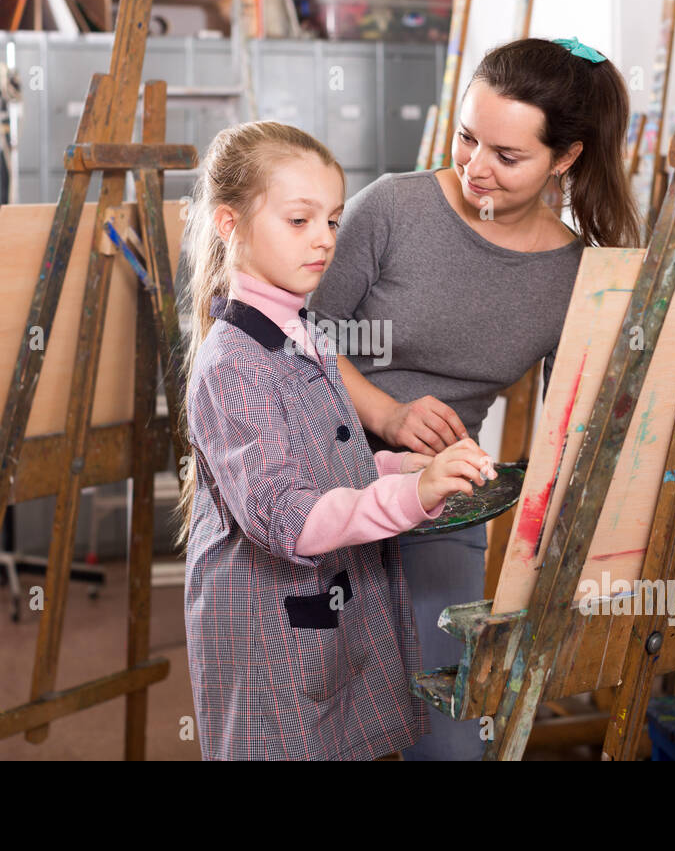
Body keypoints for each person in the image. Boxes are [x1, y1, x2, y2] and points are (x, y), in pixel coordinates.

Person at [309, 37, 640, 760]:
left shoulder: (574, 273)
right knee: (320, 720)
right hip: (316, 477)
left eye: (506, 156)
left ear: (566, 158)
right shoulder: (393, 207)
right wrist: (386, 412)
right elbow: (296, 336)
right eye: (467, 138)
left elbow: (570, 426)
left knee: (452, 736)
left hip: (444, 498)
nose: (475, 168)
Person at [180, 121, 492, 760]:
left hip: (320, 610)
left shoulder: (304, 333)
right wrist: (411, 493)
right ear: (229, 224)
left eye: (332, 220)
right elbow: (290, 521)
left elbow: (329, 459)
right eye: (299, 221)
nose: (324, 241)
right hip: (267, 633)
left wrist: (412, 467)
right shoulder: (233, 364)